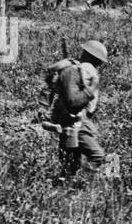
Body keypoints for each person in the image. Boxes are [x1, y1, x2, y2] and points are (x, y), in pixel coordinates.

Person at [43, 40, 109, 179]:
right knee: (98, 157)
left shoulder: (81, 72)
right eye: (98, 61)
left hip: (76, 124)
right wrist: (90, 91)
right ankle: (87, 185)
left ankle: (67, 191)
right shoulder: (72, 72)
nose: (99, 65)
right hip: (75, 124)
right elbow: (72, 102)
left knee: (70, 167)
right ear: (92, 58)